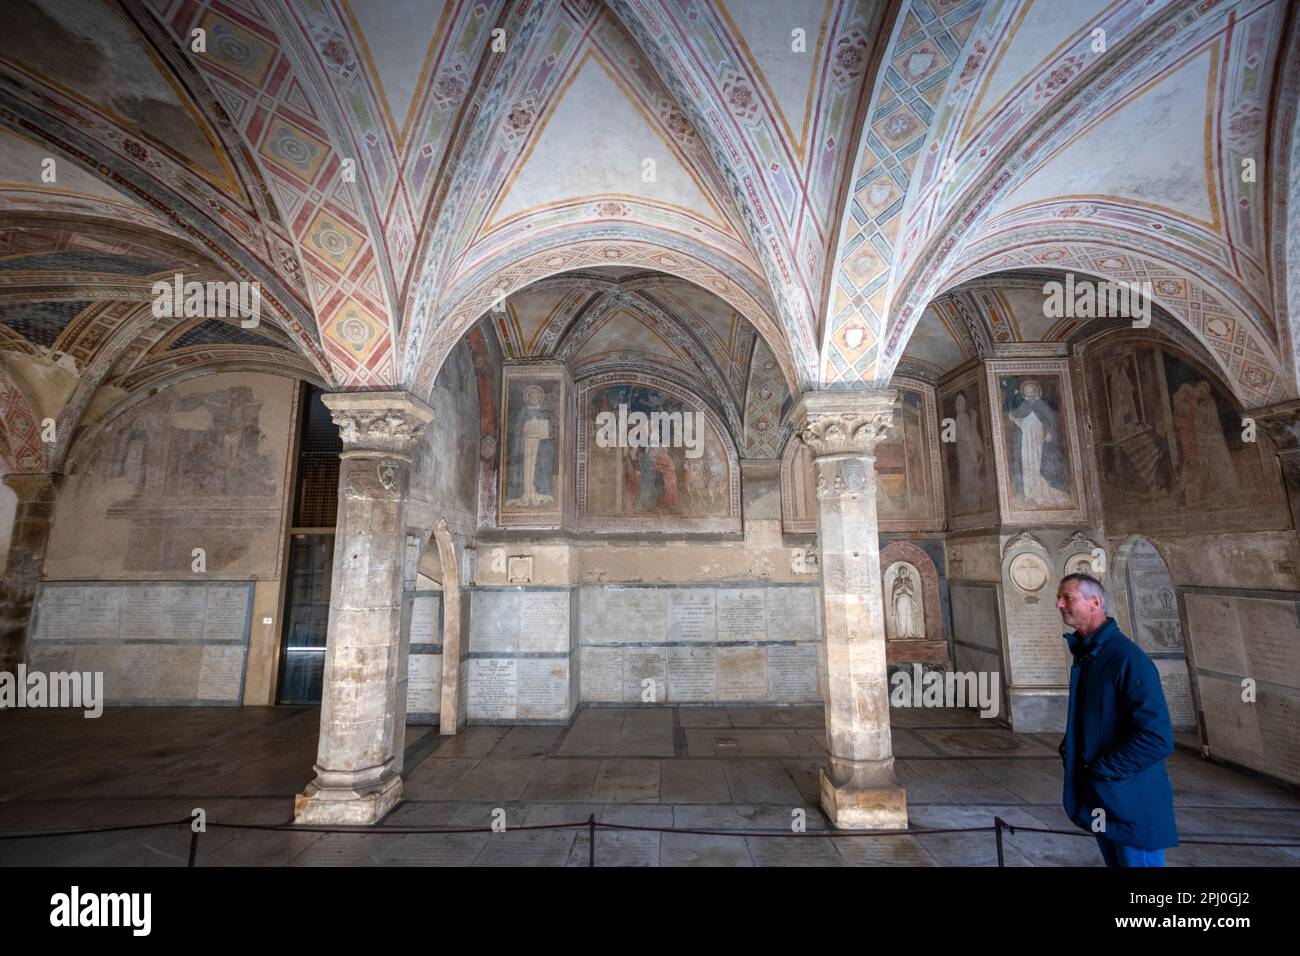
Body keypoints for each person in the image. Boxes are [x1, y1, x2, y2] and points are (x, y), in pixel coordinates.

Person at [1056, 573, 1178, 866]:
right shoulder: (1091, 654)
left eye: (1067, 598)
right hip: (1107, 798)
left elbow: (1156, 738)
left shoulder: (1126, 659)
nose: (1059, 604)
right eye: (1059, 599)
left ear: (1095, 602)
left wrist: (1101, 770)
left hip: (1130, 801)